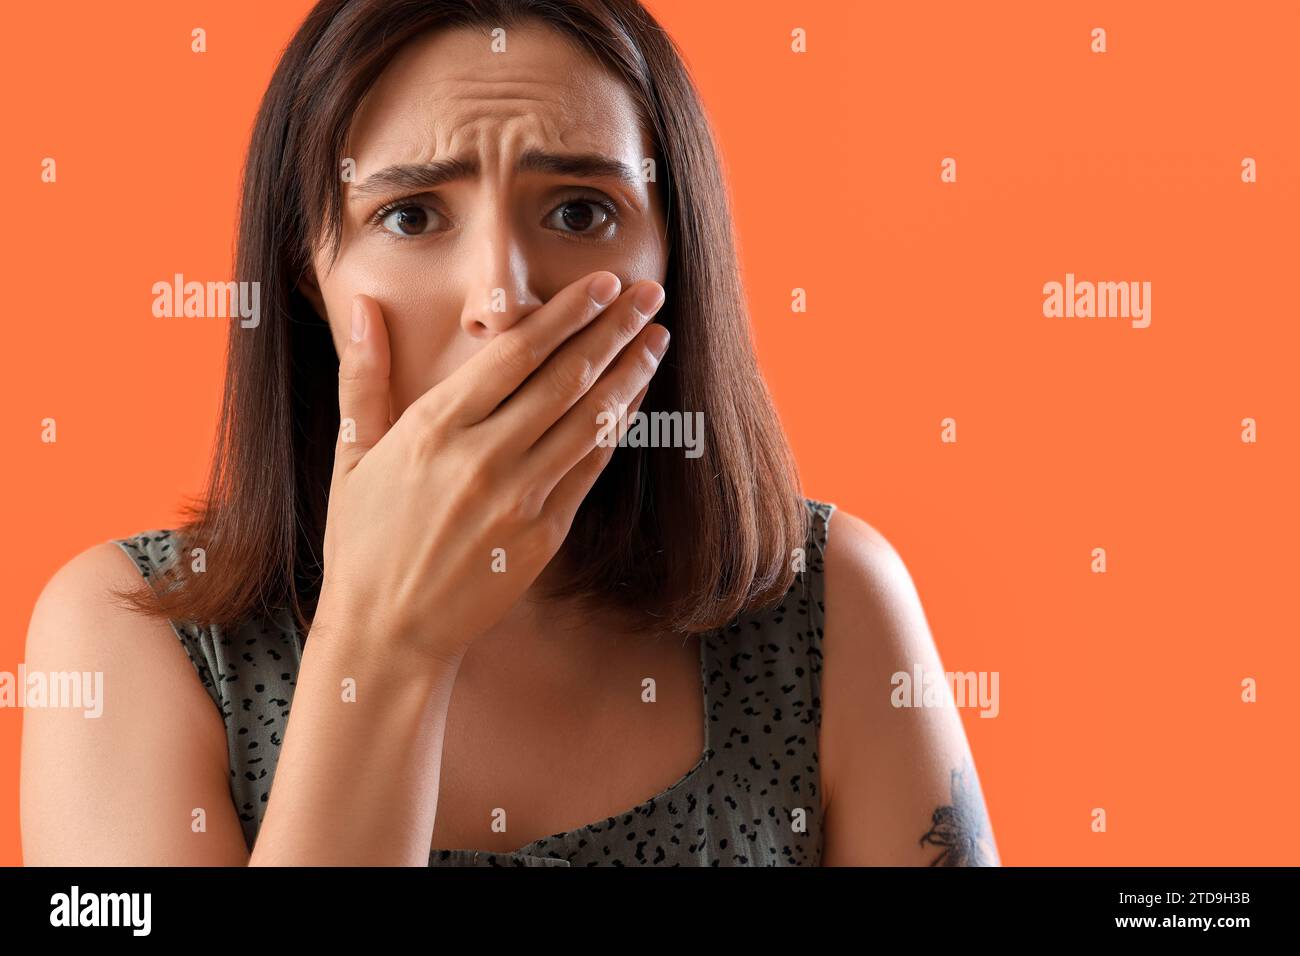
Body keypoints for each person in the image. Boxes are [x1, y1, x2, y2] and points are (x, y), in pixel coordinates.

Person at [21, 0, 999, 867]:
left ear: (676, 253)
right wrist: (385, 640)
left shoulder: (832, 606)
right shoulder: (128, 636)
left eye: (580, 210)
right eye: (409, 216)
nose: (500, 298)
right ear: (307, 269)